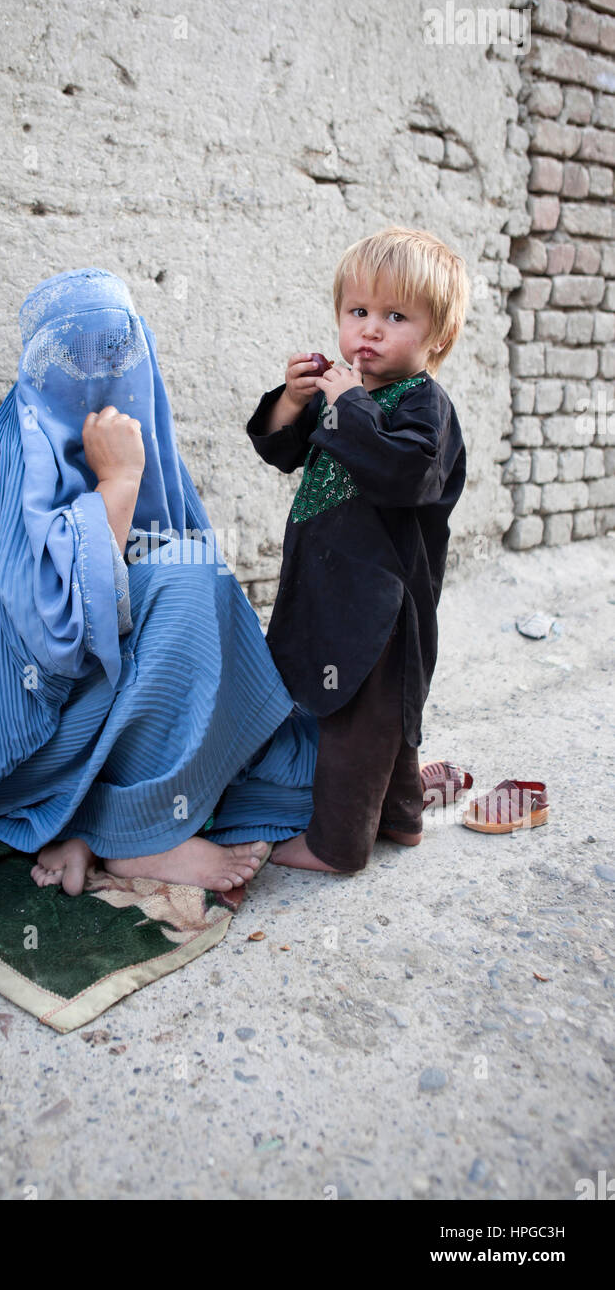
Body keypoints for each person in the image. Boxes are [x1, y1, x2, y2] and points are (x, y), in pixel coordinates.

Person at [0, 268, 323, 895]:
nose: (97, 372)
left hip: (84, 713)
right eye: (70, 355)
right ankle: (141, 836)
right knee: (185, 580)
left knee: (193, 575)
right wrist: (118, 484)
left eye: (117, 350)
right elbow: (60, 646)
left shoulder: (142, 440)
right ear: (34, 362)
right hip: (10, 747)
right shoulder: (6, 465)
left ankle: (91, 824)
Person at [245, 226, 468, 875]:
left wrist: (347, 406)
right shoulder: (348, 395)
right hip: (329, 589)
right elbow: (281, 451)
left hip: (383, 601)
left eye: (395, 316)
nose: (369, 330)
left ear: (437, 339)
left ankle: (335, 845)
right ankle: (401, 818)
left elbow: (405, 474)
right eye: (358, 312)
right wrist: (293, 400)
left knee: (357, 720)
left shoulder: (426, 406)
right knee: (382, 717)